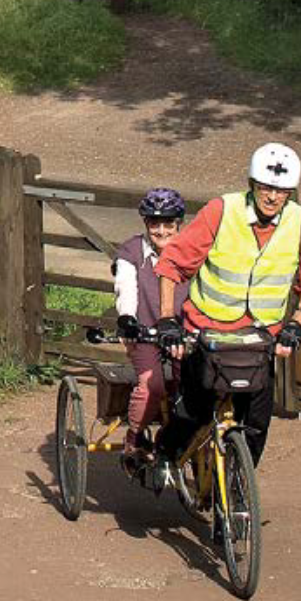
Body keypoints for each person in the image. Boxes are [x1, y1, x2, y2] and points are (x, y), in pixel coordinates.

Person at [155, 142, 301, 471]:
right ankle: (166, 454)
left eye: (282, 190)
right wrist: (167, 319)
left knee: (257, 425)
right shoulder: (222, 211)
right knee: (193, 413)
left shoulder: (300, 221)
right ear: (252, 184)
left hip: (260, 339)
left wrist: (297, 321)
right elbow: (172, 264)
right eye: (266, 187)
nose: (273, 197)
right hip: (207, 332)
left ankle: (236, 495)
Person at [112, 188, 187, 471]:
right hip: (144, 330)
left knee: (191, 386)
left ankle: (181, 440)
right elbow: (126, 287)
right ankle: (134, 438)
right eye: (155, 223)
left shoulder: (192, 250)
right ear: (146, 224)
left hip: (183, 331)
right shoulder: (131, 252)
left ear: (179, 223)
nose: (162, 230)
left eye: (169, 223)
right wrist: (127, 319)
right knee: (151, 385)